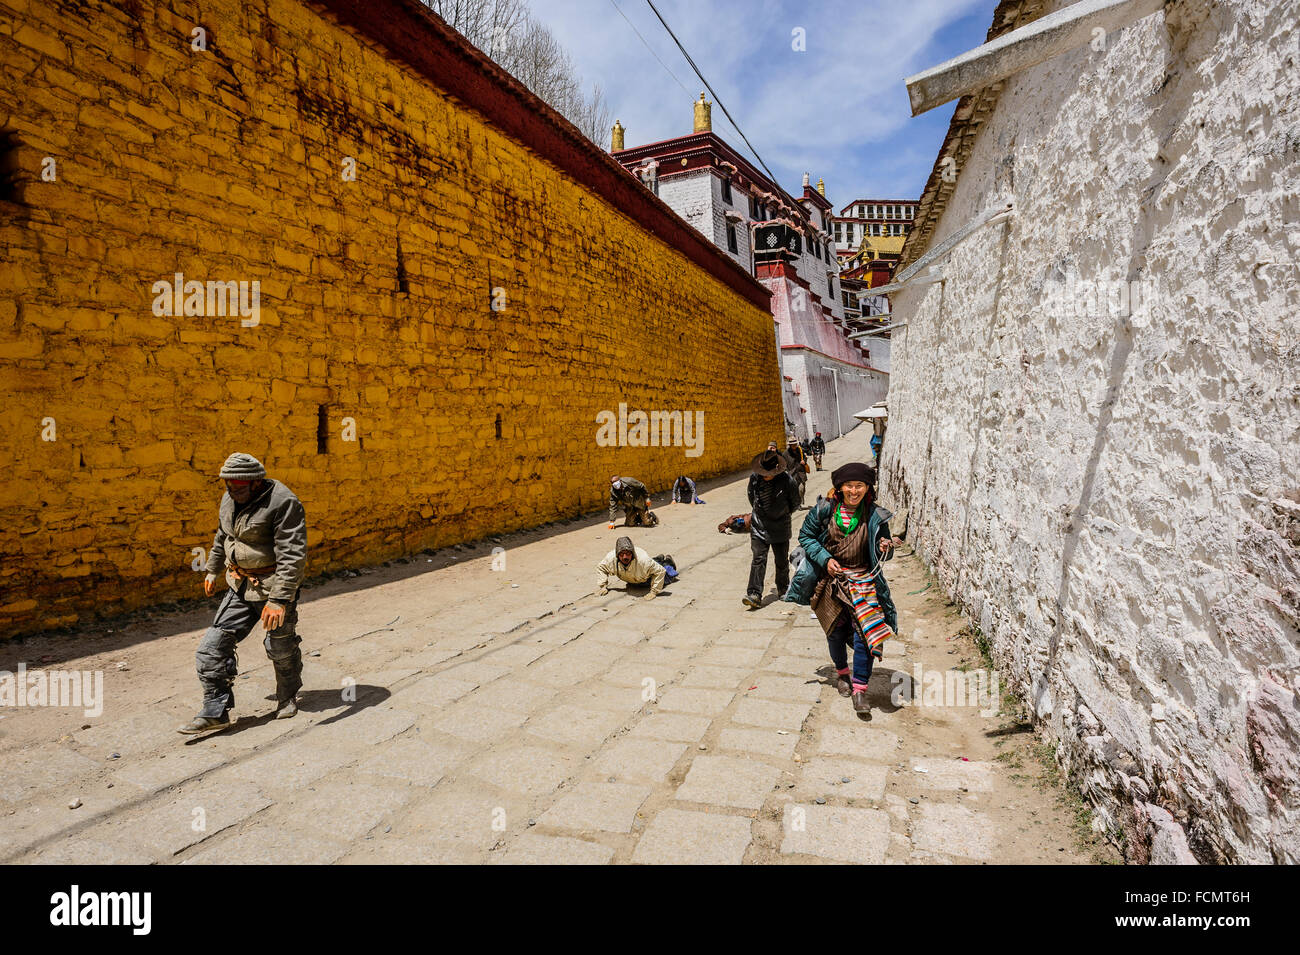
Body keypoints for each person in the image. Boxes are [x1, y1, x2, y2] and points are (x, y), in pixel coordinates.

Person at [178, 452, 307, 734]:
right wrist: (212, 569)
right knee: (211, 647)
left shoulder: (284, 503)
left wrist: (279, 600)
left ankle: (287, 696)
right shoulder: (230, 498)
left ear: (256, 482)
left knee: (280, 647)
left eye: (237, 487)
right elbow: (223, 535)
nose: (231, 491)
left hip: (273, 588)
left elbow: (292, 555)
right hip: (240, 586)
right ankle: (215, 711)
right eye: (228, 486)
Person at [795, 462, 898, 714]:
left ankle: (860, 689)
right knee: (835, 631)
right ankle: (842, 673)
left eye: (859, 486)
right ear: (840, 488)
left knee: (866, 635)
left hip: (863, 582)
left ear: (867, 488)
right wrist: (825, 559)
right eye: (849, 486)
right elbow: (806, 536)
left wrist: (885, 547)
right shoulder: (824, 510)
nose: (854, 491)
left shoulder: (875, 515)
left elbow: (884, 551)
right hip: (832, 581)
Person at [744, 447, 799, 608]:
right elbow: (751, 497)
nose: (765, 476)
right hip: (759, 524)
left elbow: (795, 502)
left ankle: (783, 589)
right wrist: (761, 514)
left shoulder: (788, 481)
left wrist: (782, 513)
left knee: (781, 560)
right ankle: (754, 593)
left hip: (780, 525)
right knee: (758, 559)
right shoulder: (755, 479)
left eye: (768, 473)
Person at [595, 536, 677, 599]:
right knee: (651, 564)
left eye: (628, 553)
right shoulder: (611, 558)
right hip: (634, 577)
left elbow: (660, 571)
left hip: (646, 578)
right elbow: (601, 567)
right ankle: (658, 559)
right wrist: (603, 586)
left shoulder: (643, 560)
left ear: (632, 553)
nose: (625, 557)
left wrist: (654, 592)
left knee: (667, 576)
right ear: (617, 554)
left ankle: (669, 562)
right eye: (621, 554)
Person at [786, 434, 809, 508]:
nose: (794, 445)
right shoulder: (785, 454)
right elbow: (784, 465)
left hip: (801, 473)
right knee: (795, 490)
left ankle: (800, 501)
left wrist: (804, 461)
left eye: (795, 444)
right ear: (790, 445)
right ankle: (798, 504)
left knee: (802, 489)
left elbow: (805, 457)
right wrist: (787, 472)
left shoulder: (800, 450)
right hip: (792, 474)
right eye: (792, 444)